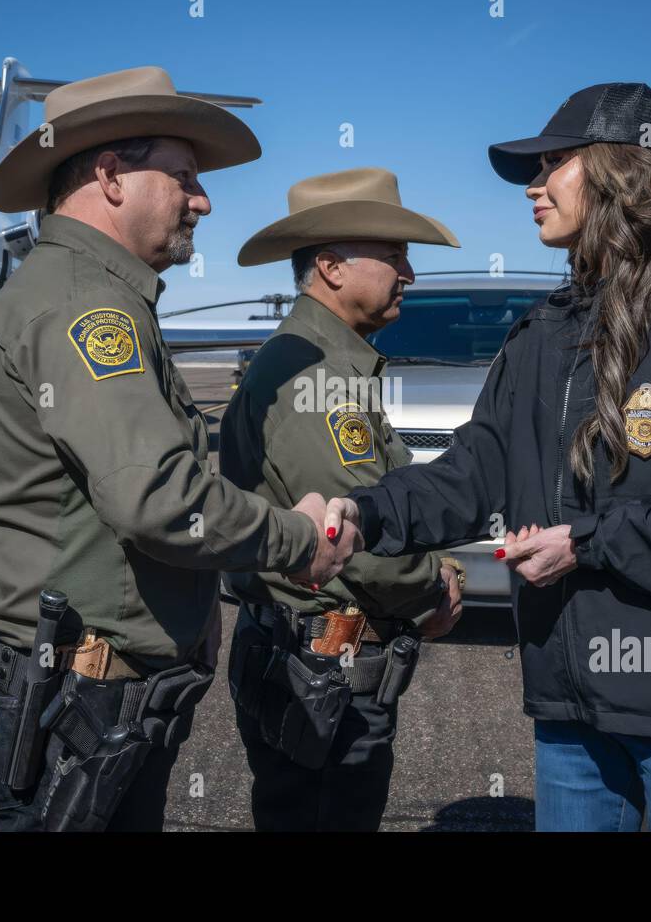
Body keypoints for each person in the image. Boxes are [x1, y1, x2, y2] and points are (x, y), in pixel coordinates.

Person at [323, 82, 651, 831]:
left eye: (554, 162)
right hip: (572, 702)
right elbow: (473, 470)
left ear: (624, 172)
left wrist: (589, 542)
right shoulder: (542, 330)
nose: (533, 185)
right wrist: (361, 513)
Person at [0, 67, 359, 832]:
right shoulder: (86, 307)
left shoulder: (83, 292)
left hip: (89, 697)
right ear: (109, 176)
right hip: (77, 702)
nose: (202, 200)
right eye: (182, 177)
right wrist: (297, 537)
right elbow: (156, 498)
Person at [219, 167, 464, 830]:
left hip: (316, 660)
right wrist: (435, 583)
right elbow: (356, 539)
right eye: (392, 254)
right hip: (323, 663)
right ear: (329, 265)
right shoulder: (315, 375)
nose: (408, 271)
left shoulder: (331, 363)